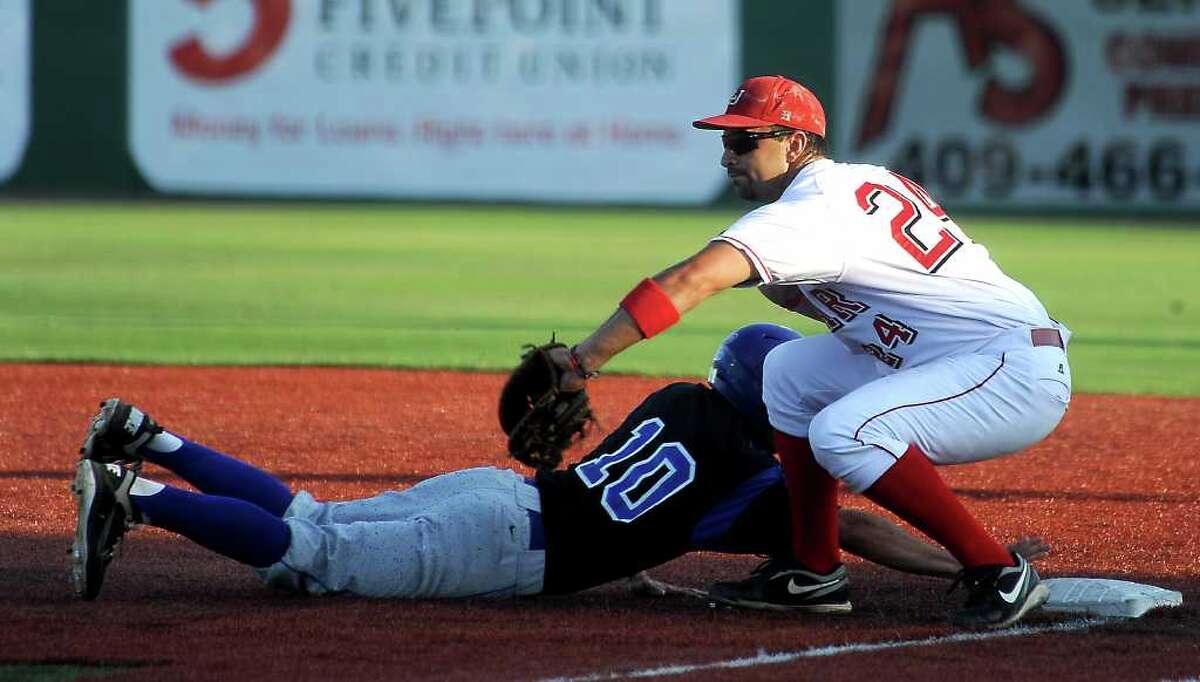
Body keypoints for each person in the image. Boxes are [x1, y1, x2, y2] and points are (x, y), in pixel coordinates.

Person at [543, 75, 1071, 628]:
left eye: (746, 142)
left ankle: (999, 571)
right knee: (789, 372)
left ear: (794, 144)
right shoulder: (856, 182)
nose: (728, 156)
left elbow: (692, 280)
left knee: (843, 432)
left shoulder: (806, 213)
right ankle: (813, 570)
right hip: (954, 352)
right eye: (725, 141)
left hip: (1008, 369)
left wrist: (583, 360)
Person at [69, 324, 1043, 602]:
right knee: (305, 556)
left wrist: (641, 560)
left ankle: (151, 436)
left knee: (315, 519)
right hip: (508, 546)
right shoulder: (756, 473)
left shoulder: (678, 403)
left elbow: (641, 501)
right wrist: (973, 557)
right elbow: (860, 529)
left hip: (502, 497)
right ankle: (138, 492)